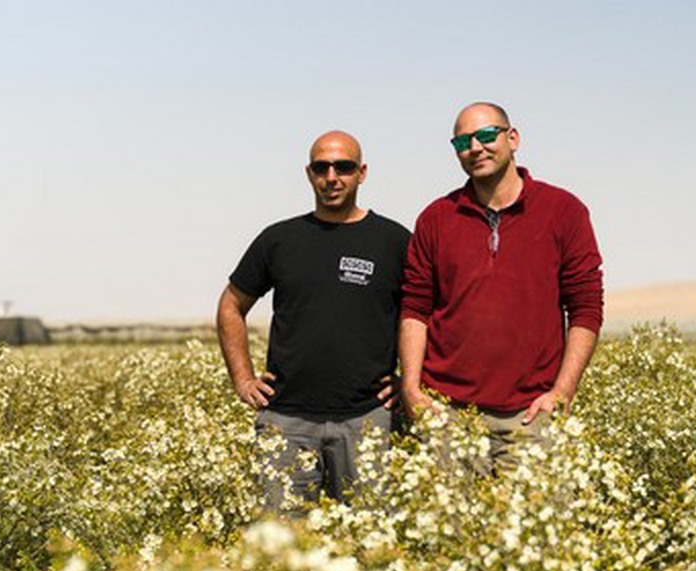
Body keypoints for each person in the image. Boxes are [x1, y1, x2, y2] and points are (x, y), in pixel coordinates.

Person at [399, 102, 604, 476]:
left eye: (487, 136)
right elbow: (415, 308)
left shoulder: (564, 211)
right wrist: (411, 389)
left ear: (513, 139)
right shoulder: (436, 217)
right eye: (463, 141)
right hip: (446, 415)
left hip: (530, 418)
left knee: (536, 533)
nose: (475, 147)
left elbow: (586, 308)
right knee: (447, 534)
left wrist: (562, 392)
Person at [217, 130, 411, 513]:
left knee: (372, 544)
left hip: (367, 419)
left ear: (362, 173)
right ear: (309, 173)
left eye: (344, 167)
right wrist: (243, 380)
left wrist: (412, 381)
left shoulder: (394, 241)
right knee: (283, 549)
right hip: (286, 420)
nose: (332, 177)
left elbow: (426, 316)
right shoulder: (279, 239)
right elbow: (230, 306)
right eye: (321, 167)